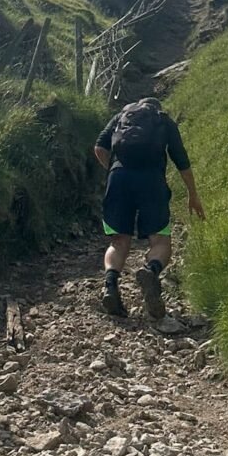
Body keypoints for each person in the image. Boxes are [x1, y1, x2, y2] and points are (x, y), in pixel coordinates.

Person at [93, 96, 205, 320]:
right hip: (152, 181)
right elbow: (182, 161)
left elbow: (99, 147)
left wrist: (113, 170)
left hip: (118, 179)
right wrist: (193, 194)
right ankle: (150, 270)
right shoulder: (163, 121)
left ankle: (110, 285)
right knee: (161, 241)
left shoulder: (121, 116)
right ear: (157, 108)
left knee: (119, 241)